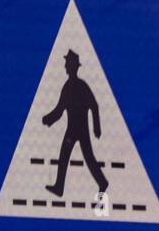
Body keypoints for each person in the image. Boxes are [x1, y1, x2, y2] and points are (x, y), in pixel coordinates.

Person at [42, 49, 109, 197]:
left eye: (67, 64)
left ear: (73, 66)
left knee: (83, 157)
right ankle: (62, 186)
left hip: (78, 129)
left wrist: (96, 127)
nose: (65, 66)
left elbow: (94, 105)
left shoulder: (79, 86)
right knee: (73, 156)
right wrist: (47, 119)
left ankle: (62, 186)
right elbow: (60, 110)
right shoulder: (68, 86)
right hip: (74, 129)